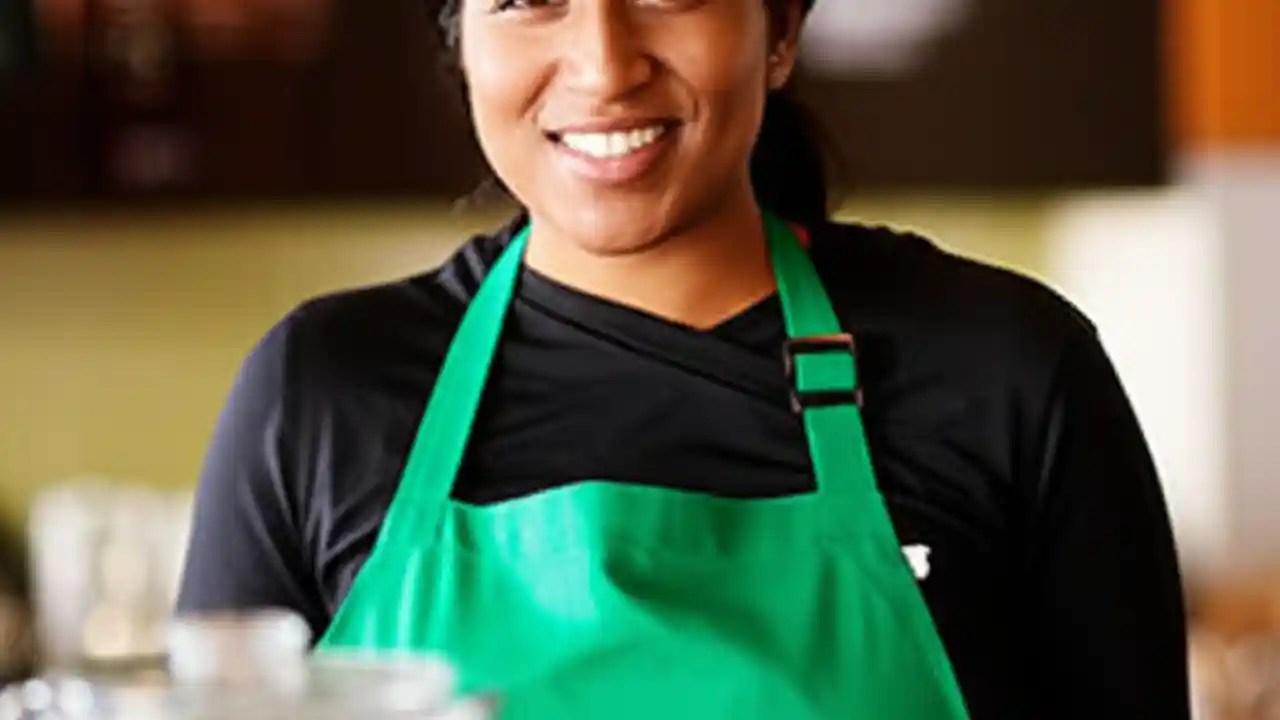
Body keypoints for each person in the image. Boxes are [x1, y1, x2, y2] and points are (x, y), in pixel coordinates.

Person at [177, 0, 1191, 716]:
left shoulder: (1007, 371)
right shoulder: (320, 393)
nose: (604, 63)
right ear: (462, 45)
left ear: (780, 28)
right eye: (527, 1)